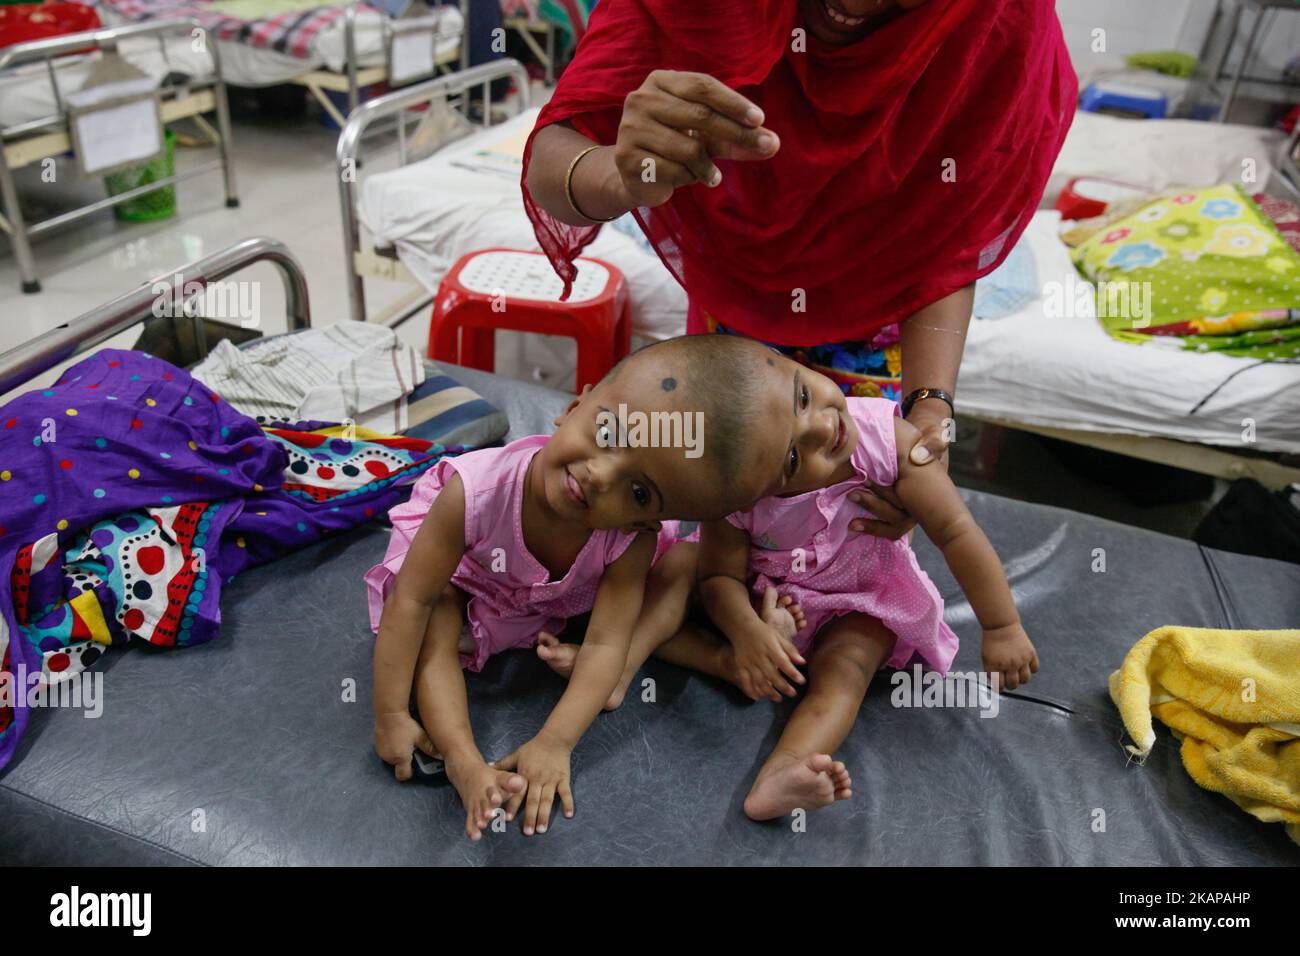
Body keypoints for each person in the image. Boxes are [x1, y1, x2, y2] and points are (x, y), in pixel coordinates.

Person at [522, 0, 1076, 539]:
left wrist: (930, 408)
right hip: (732, 298)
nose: (856, 5)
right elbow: (554, 153)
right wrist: (622, 177)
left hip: (882, 325)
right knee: (725, 516)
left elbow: (951, 238)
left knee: (856, 533)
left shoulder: (998, 18)